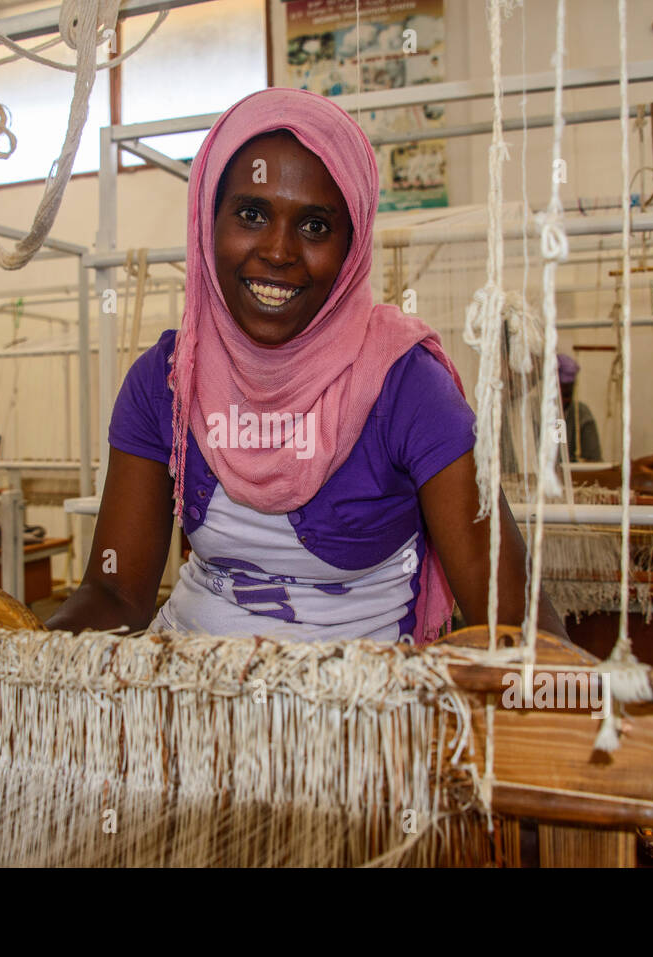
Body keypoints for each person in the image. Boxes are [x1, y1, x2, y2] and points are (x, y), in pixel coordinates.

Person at [47, 88, 565, 645]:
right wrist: (16, 660)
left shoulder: (409, 389)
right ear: (207, 224)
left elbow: (522, 630)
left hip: (355, 715)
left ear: (353, 246)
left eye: (315, 226)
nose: (278, 251)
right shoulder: (166, 381)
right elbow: (115, 594)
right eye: (251, 214)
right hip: (193, 702)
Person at [557, 352, 602, 462]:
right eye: (558, 396)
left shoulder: (582, 415)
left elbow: (594, 460)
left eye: (567, 395)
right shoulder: (534, 414)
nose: (562, 401)